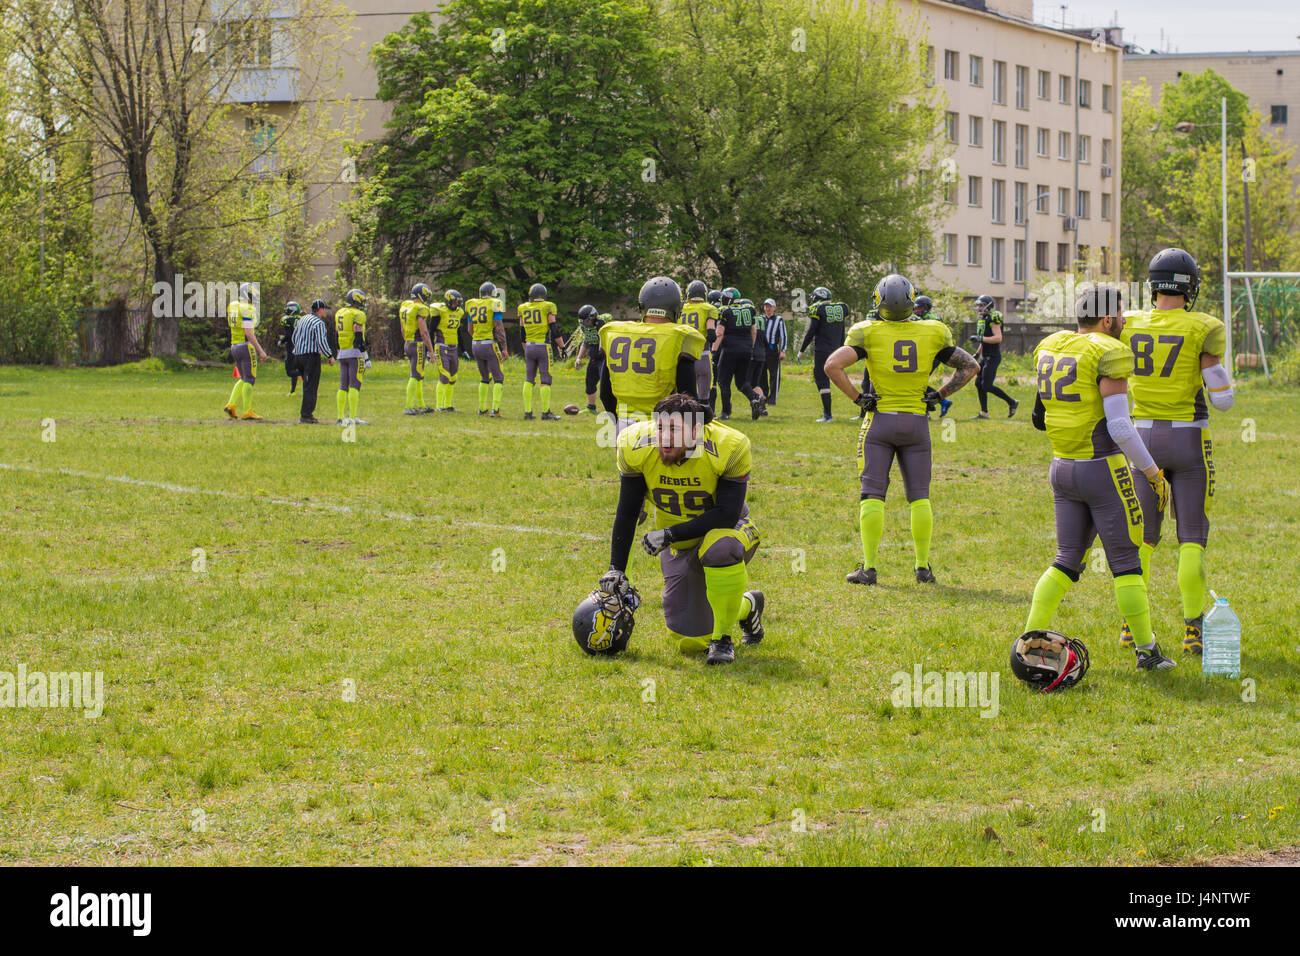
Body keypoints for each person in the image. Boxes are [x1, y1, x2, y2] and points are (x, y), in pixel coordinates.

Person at [1026, 284, 1176, 671]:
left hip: (1061, 468)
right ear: (1107, 319)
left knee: (1065, 561)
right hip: (1102, 470)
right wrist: (1154, 473)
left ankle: (1028, 643)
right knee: (1126, 563)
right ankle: (1147, 651)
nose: (1125, 321)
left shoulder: (1052, 347)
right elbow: (1121, 428)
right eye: (1122, 316)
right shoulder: (1107, 351)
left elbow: (1038, 418)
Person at [824, 274, 979, 585]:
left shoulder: (867, 331)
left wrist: (858, 398)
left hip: (880, 422)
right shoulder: (934, 331)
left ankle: (868, 568)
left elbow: (832, 366)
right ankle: (922, 567)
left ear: (877, 301)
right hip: (917, 423)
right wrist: (940, 394)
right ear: (912, 300)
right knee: (920, 497)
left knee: (872, 494)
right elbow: (970, 366)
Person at [1119, 248, 1234, 656]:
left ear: (1153, 284)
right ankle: (1192, 630)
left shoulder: (1128, 323)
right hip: (1188, 439)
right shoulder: (1204, 327)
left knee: (1143, 539)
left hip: (1140, 438)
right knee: (1191, 538)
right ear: (1189, 286)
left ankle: (1134, 627)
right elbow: (1221, 400)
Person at [599, 391, 766, 665]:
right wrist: (616, 567)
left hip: (731, 529)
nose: (664, 437)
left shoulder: (729, 446)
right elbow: (628, 511)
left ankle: (722, 640)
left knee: (720, 547)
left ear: (697, 430)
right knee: (689, 641)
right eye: (661, 428)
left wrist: (668, 535)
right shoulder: (635, 445)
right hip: (680, 543)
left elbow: (725, 514)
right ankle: (748, 606)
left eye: (674, 429)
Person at [599, 277, 705, 435]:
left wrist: (620, 422)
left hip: (624, 426)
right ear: (677, 308)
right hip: (662, 427)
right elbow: (688, 398)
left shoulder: (614, 332)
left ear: (642, 305)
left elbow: (605, 394)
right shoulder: (679, 336)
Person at [713, 287, 764, 421]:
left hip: (730, 350)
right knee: (742, 382)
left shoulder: (726, 311)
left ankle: (725, 412)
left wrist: (713, 351)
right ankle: (755, 398)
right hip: (746, 349)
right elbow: (754, 331)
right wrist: (750, 347)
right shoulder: (749, 309)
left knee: (724, 381)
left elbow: (719, 333)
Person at [799, 286, 848, 423]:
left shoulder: (818, 309)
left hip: (822, 350)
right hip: (837, 349)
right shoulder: (840, 308)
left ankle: (828, 415)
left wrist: (802, 349)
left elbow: (811, 331)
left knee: (821, 378)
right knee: (843, 378)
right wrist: (843, 347)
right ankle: (862, 408)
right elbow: (842, 330)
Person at [517, 282, 564, 421]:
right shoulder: (548, 306)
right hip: (543, 347)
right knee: (545, 379)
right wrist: (562, 347)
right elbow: (554, 329)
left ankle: (527, 412)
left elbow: (522, 331)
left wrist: (526, 348)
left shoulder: (523, 307)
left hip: (529, 346)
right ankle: (545, 412)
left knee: (529, 378)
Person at [223, 282, 268, 421]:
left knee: (243, 378)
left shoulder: (233, 305)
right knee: (250, 378)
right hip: (245, 346)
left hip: (234, 345)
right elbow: (248, 332)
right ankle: (247, 411)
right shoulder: (247, 308)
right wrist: (261, 351)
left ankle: (231, 405)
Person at [969, 294, 1018, 419]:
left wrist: (980, 338)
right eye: (978, 305)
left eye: (981, 305)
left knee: (987, 386)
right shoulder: (983, 319)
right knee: (978, 384)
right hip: (984, 356)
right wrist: (978, 352)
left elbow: (998, 338)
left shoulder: (993, 318)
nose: (979, 308)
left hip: (993, 356)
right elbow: (985, 340)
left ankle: (1012, 402)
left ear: (988, 306)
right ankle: (984, 412)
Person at [465, 281, 507, 417]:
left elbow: (469, 329)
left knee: (484, 378)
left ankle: (482, 408)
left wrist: (478, 338)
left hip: (475, 344)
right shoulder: (495, 304)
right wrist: (504, 348)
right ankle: (495, 410)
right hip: (489, 344)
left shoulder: (472, 305)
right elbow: (499, 327)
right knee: (498, 378)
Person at [291, 299, 334, 423]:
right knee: (311, 386)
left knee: (306, 384)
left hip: (298, 355)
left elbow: (294, 337)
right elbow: (321, 342)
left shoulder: (302, 319)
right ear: (320, 309)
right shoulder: (318, 323)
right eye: (325, 308)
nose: (326, 311)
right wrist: (330, 356)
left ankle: (306, 413)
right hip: (311, 357)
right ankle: (306, 415)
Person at [399, 283, 438, 415]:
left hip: (408, 342)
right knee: (415, 376)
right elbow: (424, 332)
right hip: (418, 344)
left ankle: (421, 405)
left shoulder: (405, 306)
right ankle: (409, 406)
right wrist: (431, 351)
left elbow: (402, 329)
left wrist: (408, 341)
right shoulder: (421, 308)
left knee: (419, 375)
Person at [333, 288, 369, 426]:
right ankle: (352, 418)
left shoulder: (340, 313)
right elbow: (358, 336)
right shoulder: (358, 314)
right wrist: (365, 356)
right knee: (355, 385)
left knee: (343, 386)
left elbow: (336, 334)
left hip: (342, 352)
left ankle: (340, 417)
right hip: (355, 353)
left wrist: (338, 351)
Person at [913, 295, 953, 418]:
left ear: (926, 308)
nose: (916, 310)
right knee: (919, 382)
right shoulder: (924, 319)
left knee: (918, 382)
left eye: (919, 308)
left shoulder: (930, 319)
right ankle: (942, 402)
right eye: (916, 308)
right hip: (929, 355)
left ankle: (927, 410)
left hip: (934, 355)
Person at [679, 280, 717, 403]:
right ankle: (702, 421)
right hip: (702, 356)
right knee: (703, 399)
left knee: (685, 399)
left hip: (683, 358)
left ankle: (687, 421)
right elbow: (712, 335)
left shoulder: (681, 308)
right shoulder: (708, 308)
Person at [430, 289, 465, 412]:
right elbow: (431, 330)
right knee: (444, 376)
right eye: (455, 302)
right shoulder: (440, 312)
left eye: (458, 302)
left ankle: (448, 405)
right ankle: (440, 406)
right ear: (448, 301)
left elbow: (458, 331)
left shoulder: (459, 312)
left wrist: (463, 349)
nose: (457, 304)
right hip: (442, 346)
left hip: (453, 347)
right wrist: (429, 350)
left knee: (453, 377)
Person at [573, 305, 607, 414]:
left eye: (586, 321)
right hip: (594, 357)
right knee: (590, 383)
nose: (584, 323)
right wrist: (579, 358)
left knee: (606, 385)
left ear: (593, 317)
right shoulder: (585, 327)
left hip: (605, 358)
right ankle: (591, 407)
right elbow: (586, 341)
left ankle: (611, 408)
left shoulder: (602, 323)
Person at [758, 299, 787, 408]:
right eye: (766, 306)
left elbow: (783, 336)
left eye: (769, 306)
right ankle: (764, 396)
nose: (767, 308)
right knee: (761, 374)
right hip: (762, 349)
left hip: (773, 349)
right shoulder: (760, 319)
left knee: (774, 375)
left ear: (774, 308)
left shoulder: (779, 320)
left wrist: (783, 350)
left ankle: (772, 398)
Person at [277, 301, 302, 394]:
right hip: (300, 347)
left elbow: (288, 335)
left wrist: (281, 341)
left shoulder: (287, 320)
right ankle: (293, 390)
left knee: (290, 371)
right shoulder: (301, 319)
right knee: (295, 369)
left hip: (291, 348)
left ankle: (305, 373)